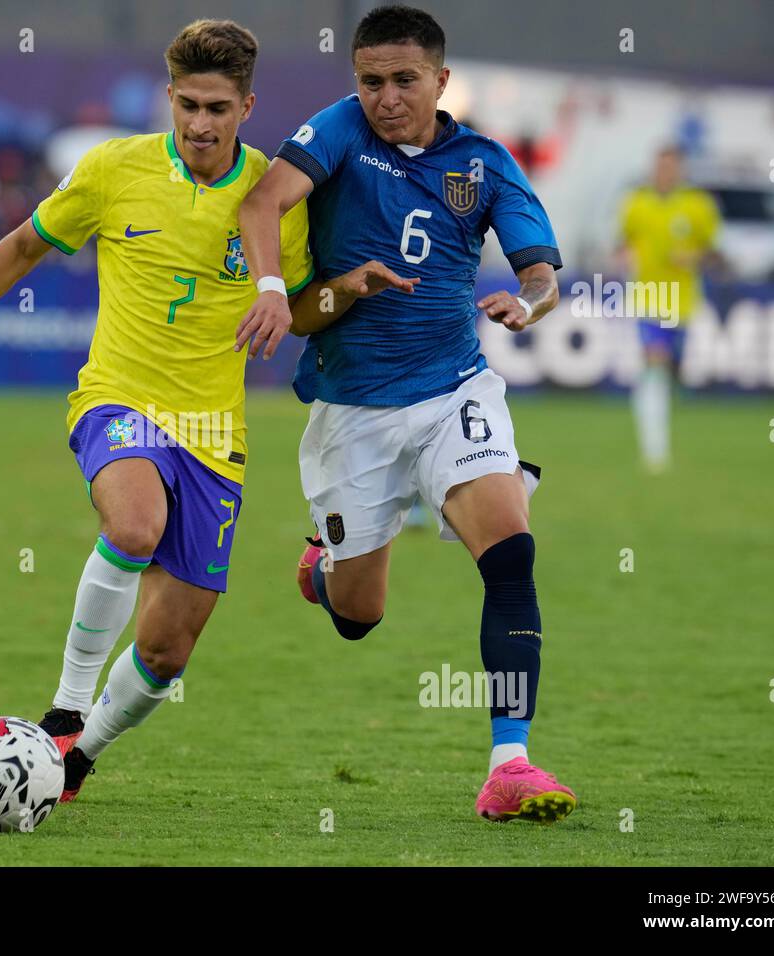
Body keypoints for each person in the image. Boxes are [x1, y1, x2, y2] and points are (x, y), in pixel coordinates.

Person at [0, 20, 312, 802]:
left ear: (248, 106)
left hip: (216, 435)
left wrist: (339, 295)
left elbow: (311, 301)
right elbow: (24, 247)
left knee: (167, 652)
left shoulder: (274, 199)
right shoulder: (112, 169)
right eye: (188, 104)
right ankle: (65, 705)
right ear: (168, 98)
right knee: (132, 524)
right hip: (118, 398)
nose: (200, 123)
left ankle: (76, 759)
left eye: (218, 108)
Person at [236, 4, 576, 823]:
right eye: (371, 81)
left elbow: (541, 275)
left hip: (456, 388)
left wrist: (529, 307)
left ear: (441, 81)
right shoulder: (339, 131)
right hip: (353, 409)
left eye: (403, 80)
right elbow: (261, 204)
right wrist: (275, 293)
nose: (385, 97)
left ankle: (510, 762)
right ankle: (324, 570)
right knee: (360, 614)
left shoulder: (486, 163)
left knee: (510, 553)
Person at [617, 144, 721, 472]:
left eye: (671, 167)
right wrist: (623, 258)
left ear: (681, 170)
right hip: (649, 298)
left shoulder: (698, 206)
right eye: (660, 166)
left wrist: (694, 258)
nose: (664, 172)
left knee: (670, 372)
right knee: (655, 362)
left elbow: (714, 253)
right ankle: (655, 449)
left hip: (683, 302)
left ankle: (654, 422)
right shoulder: (636, 203)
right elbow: (623, 243)